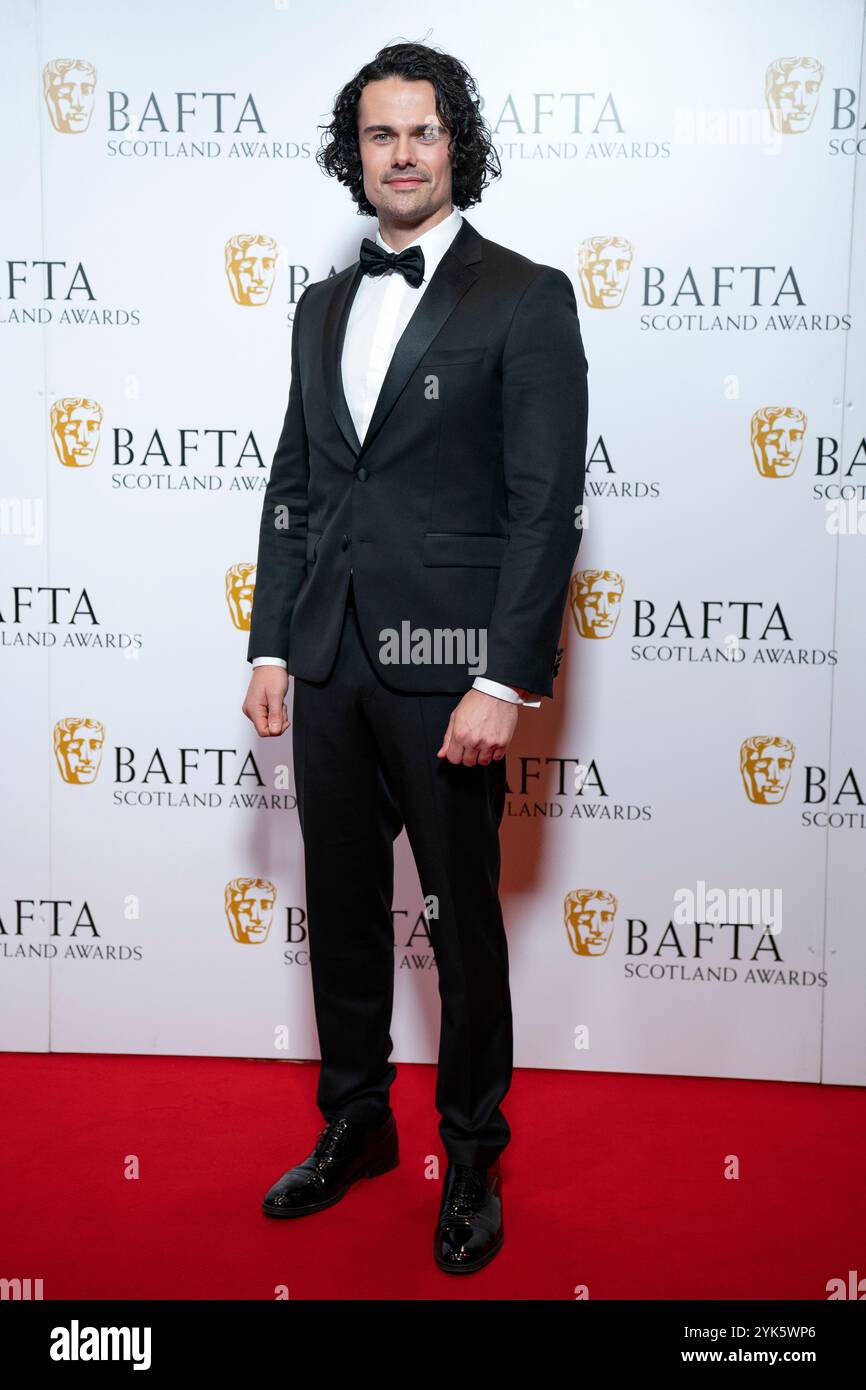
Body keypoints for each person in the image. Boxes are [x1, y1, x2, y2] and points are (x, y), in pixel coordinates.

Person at [242, 40, 588, 1274]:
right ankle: (355, 1126)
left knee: (456, 926)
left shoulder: (524, 295)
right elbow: (297, 484)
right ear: (357, 152)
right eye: (380, 135)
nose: (401, 154)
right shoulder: (321, 304)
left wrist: (503, 678)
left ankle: (472, 1152)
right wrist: (272, 641)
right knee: (338, 912)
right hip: (327, 661)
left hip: (450, 675)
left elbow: (543, 507)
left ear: (457, 145)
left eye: (423, 133)